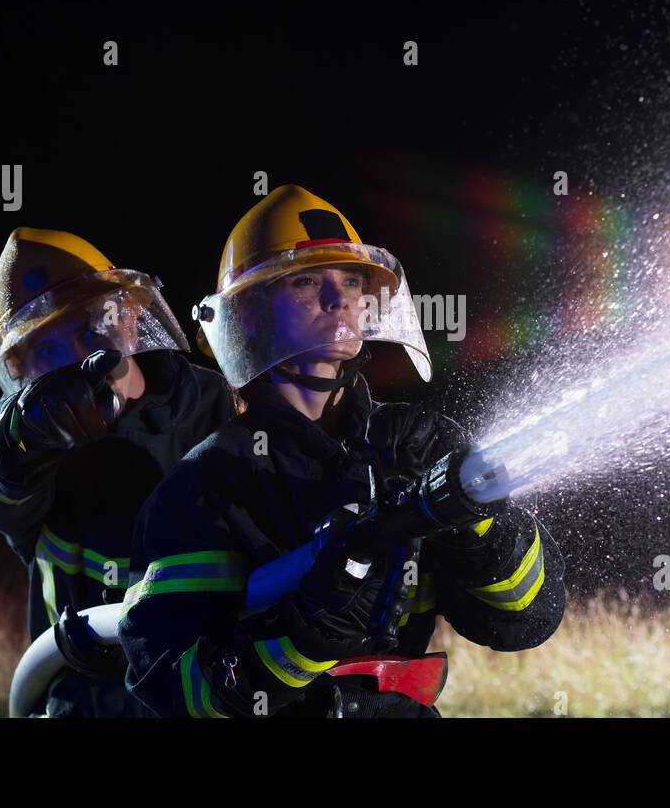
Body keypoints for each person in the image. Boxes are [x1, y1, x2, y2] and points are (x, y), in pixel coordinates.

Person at [119, 185, 565, 718]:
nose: (339, 300)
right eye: (307, 281)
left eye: (351, 281)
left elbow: (527, 619)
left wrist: (479, 522)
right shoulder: (206, 486)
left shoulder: (416, 448)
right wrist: (304, 636)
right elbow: (177, 694)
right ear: (252, 314)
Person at [0, 227, 235, 717]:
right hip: (80, 703)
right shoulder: (32, 455)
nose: (82, 352)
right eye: (50, 344)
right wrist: (20, 433)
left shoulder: (221, 407)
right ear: (18, 366)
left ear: (130, 313)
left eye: (92, 320)